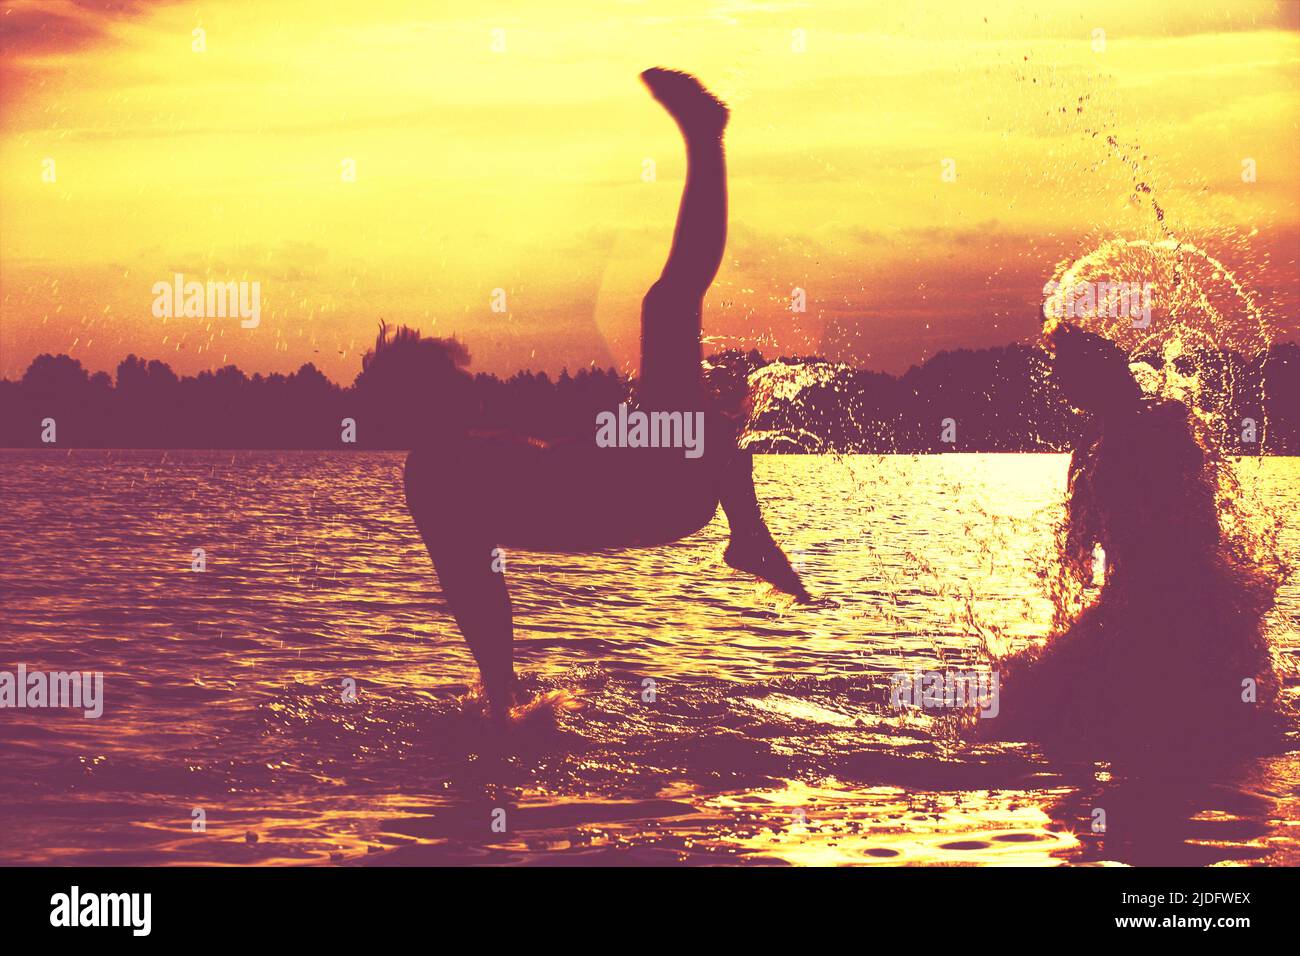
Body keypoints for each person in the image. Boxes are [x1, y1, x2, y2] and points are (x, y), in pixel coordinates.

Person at [382, 69, 808, 721]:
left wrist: (503, 696)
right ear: (425, 399)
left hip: (655, 483)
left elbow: (481, 575)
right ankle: (704, 135)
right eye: (452, 375)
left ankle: (746, 533)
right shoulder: (436, 471)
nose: (471, 380)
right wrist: (502, 697)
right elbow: (474, 585)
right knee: (668, 306)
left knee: (690, 389)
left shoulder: (452, 460)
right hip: (652, 486)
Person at [989, 320, 1280, 757]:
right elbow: (1077, 554)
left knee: (1041, 715)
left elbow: (1201, 518)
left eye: (1066, 372)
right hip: (1130, 601)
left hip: (1178, 599)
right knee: (1029, 713)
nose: (1059, 383)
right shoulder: (1093, 446)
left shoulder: (1161, 422)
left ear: (1096, 373)